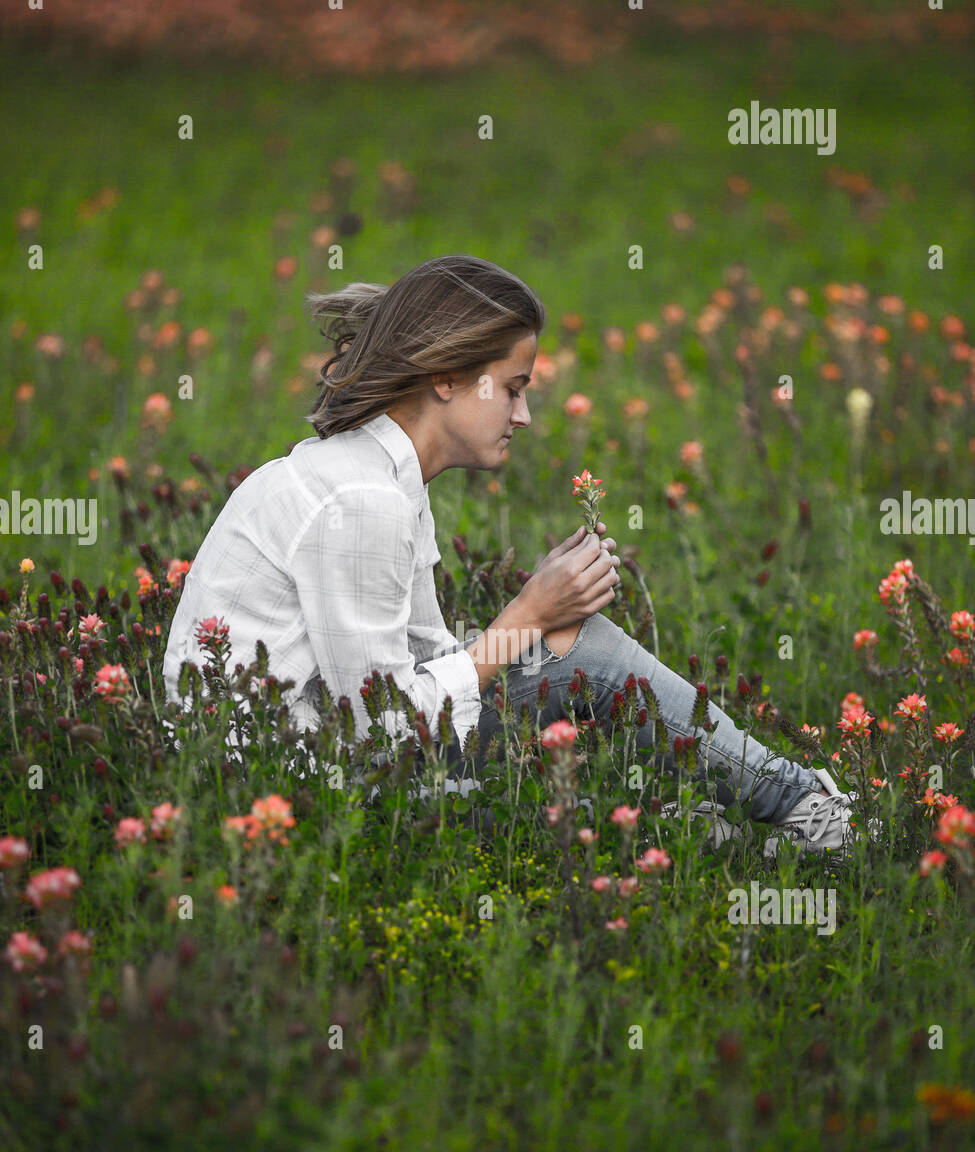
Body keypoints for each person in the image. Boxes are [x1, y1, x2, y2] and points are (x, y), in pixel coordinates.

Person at [162, 253, 866, 856]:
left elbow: (423, 668)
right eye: (512, 389)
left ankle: (738, 823)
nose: (523, 416)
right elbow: (374, 727)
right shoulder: (360, 501)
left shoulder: (377, 478)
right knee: (574, 653)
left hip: (306, 769)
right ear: (445, 377)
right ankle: (807, 814)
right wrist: (526, 618)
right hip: (283, 798)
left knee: (566, 652)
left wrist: (534, 634)